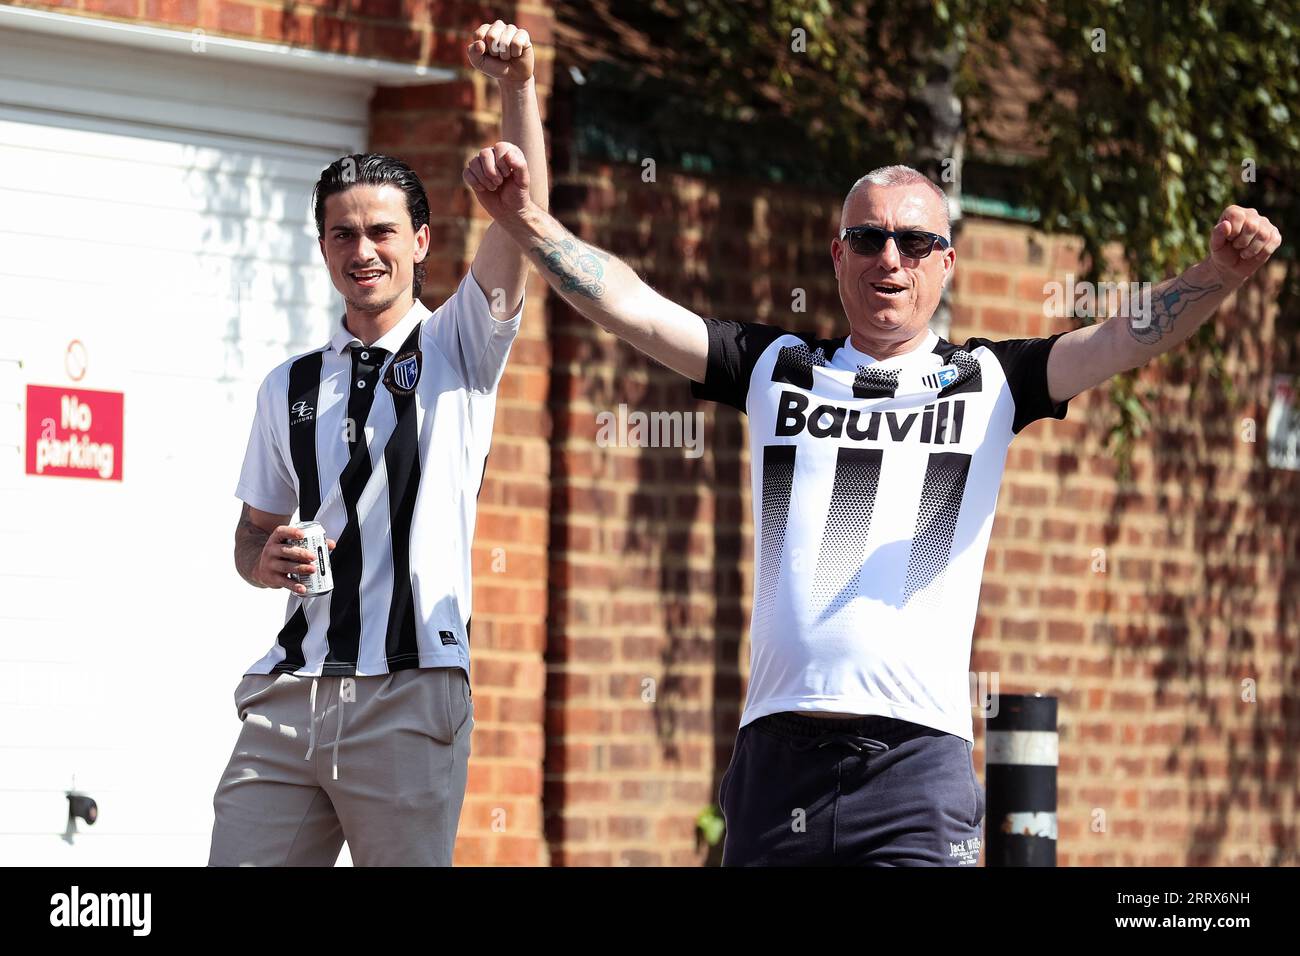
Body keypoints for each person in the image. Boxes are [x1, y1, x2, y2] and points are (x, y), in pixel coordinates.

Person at [463, 145, 1281, 865]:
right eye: (869, 238)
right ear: (838, 254)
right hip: (775, 755)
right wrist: (525, 222)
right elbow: (631, 306)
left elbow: (1122, 339)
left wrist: (1217, 274)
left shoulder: (989, 382)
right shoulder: (774, 367)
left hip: (915, 771)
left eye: (915, 240)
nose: (891, 257)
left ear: (945, 262)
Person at [207, 20, 549, 867]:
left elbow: (522, 221)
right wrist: (266, 556)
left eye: (382, 232)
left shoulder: (460, 346)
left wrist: (518, 88)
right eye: (343, 234)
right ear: (323, 248)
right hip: (290, 695)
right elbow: (251, 536)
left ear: (421, 243)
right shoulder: (287, 386)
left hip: (410, 694)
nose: (363, 250)